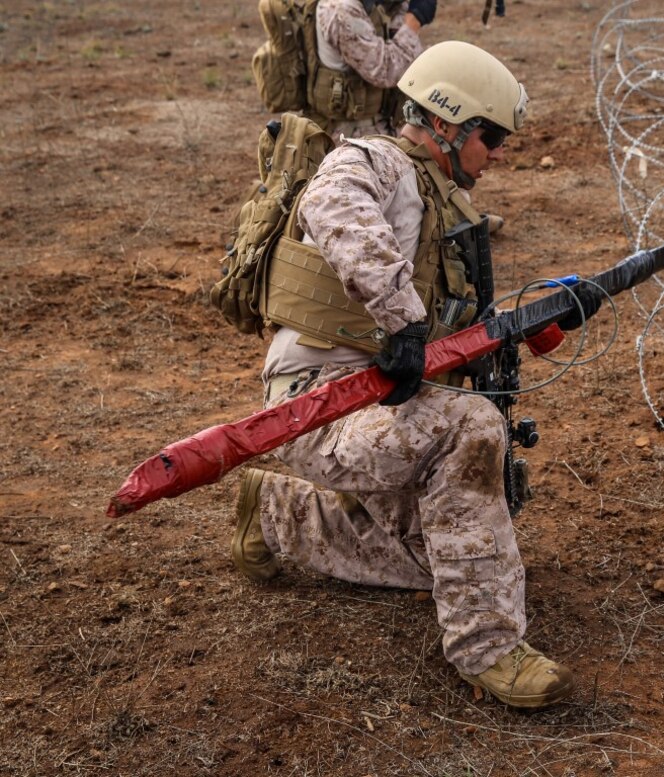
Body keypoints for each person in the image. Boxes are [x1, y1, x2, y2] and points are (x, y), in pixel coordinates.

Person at [231, 41, 603, 709]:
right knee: (470, 426)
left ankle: (273, 513)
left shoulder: (441, 198)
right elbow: (333, 207)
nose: (496, 154)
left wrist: (542, 315)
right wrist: (402, 321)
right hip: (321, 404)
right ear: (447, 123)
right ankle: (488, 647)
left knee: (451, 557)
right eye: (490, 137)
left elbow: (454, 319)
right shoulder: (368, 161)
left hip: (382, 404)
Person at [309, 0, 438, 140]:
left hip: (379, 125)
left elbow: (394, 38)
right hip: (350, 135)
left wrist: (401, 8)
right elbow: (385, 70)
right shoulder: (340, 9)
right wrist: (414, 22)